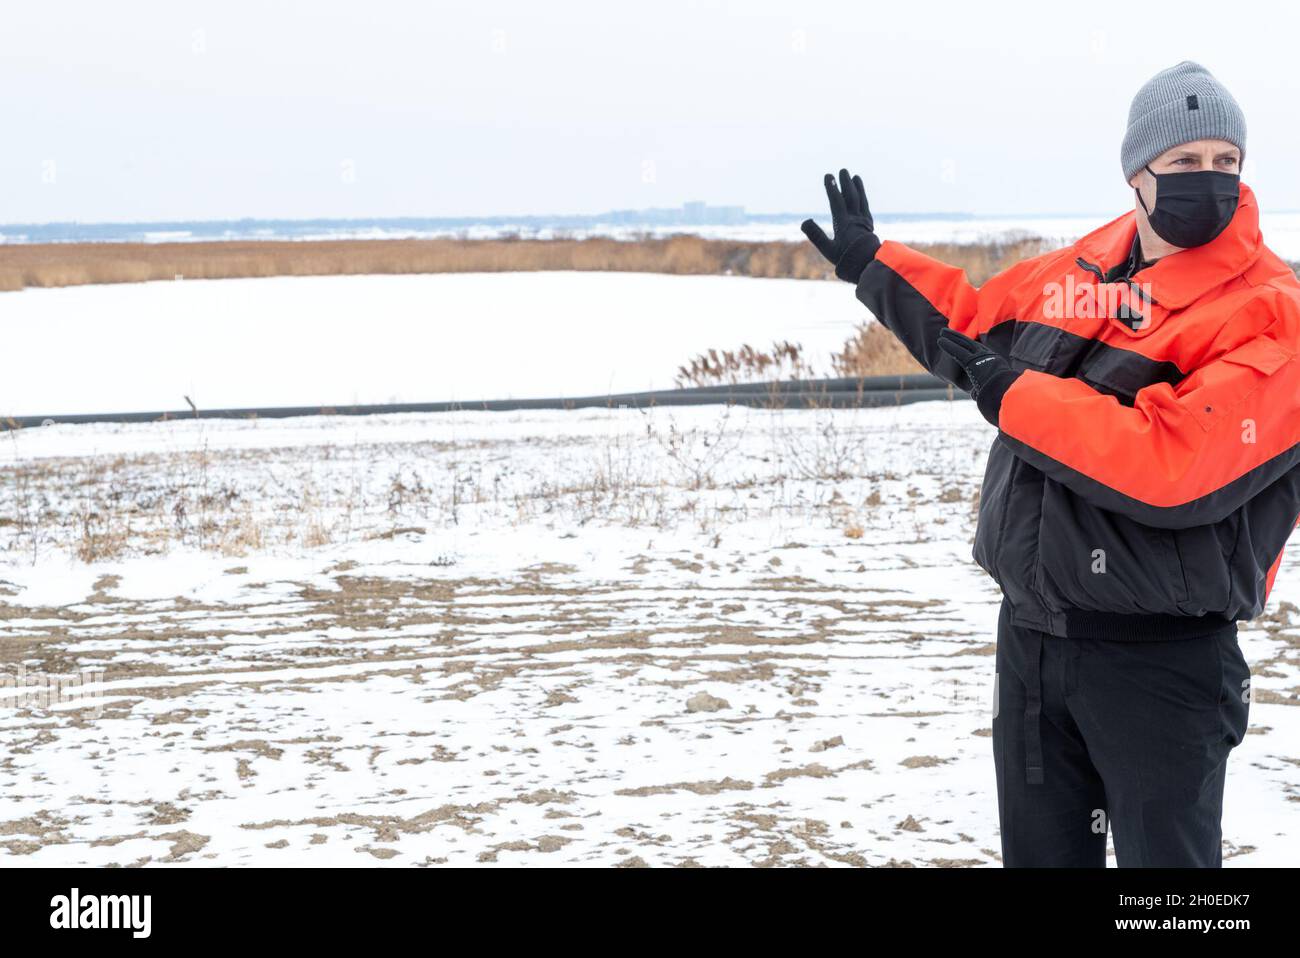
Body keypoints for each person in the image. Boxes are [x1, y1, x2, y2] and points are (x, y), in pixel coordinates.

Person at [801, 61, 1300, 867]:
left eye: (1224, 164)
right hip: (1033, 640)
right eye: (1184, 164)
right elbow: (973, 324)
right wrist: (872, 263)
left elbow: (1175, 463)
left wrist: (1014, 396)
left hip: (1163, 663)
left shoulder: (1271, 310)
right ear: (1137, 175)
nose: (1207, 182)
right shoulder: (1088, 271)